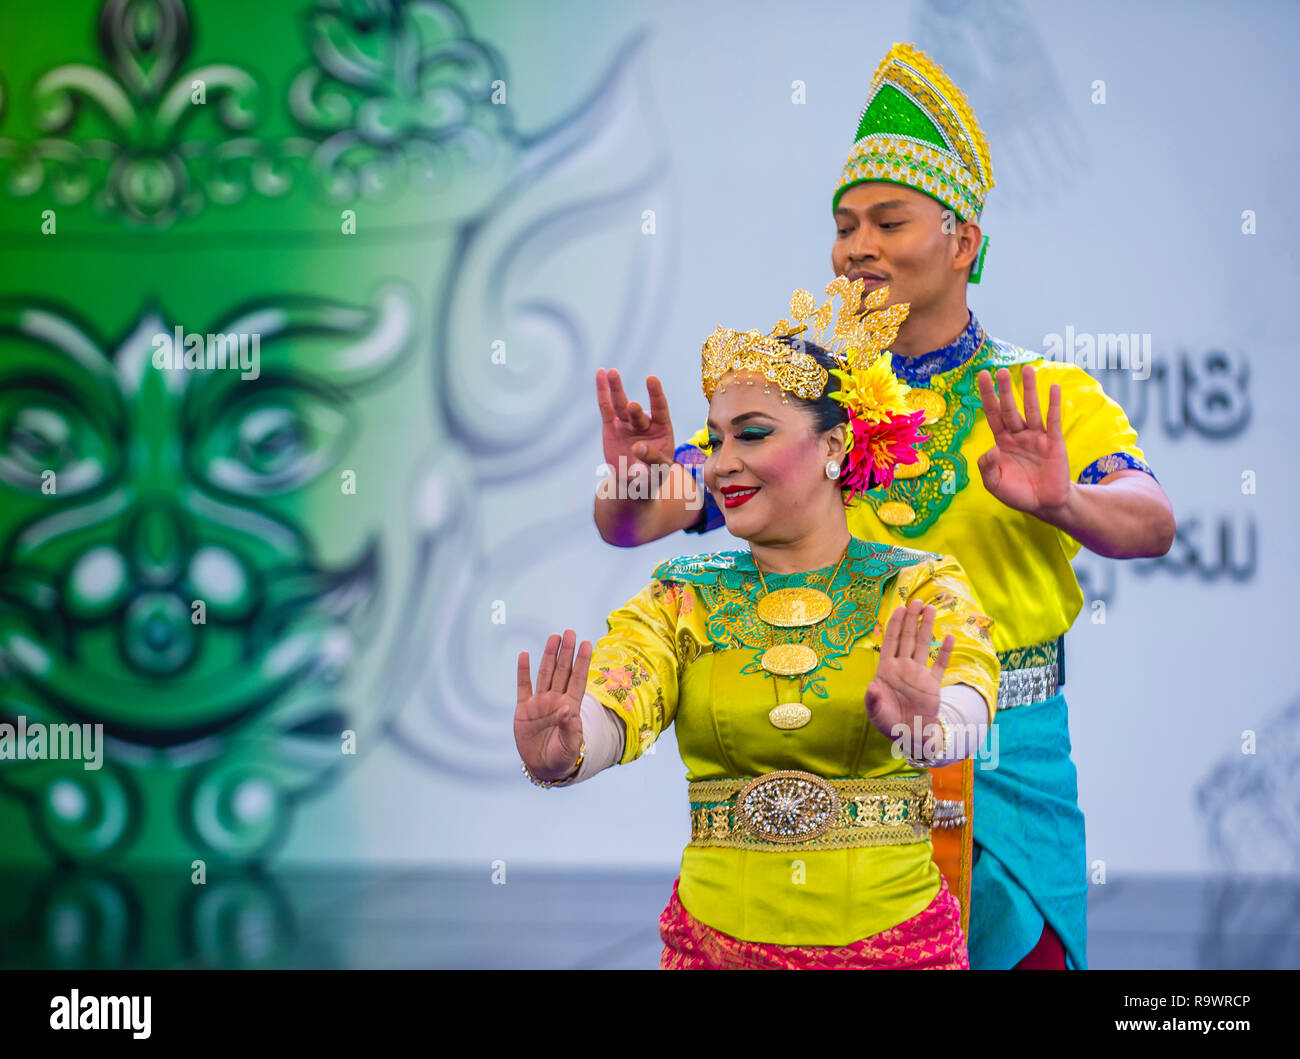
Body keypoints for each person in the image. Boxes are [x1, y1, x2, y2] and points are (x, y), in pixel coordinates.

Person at [590, 43, 1175, 970]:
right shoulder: (805, 400)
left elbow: (1150, 522)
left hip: (1013, 747)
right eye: (844, 224)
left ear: (963, 242)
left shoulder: (1043, 394)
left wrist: (1064, 498)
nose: (856, 245)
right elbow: (647, 515)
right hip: (850, 741)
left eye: (888, 220)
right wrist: (631, 484)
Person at [516, 280, 1001, 969]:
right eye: (715, 440)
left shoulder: (916, 582)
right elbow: (623, 699)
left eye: (753, 434)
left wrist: (926, 722)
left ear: (834, 445)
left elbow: (967, 700)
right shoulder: (685, 595)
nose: (720, 464)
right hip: (716, 947)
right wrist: (569, 749)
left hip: (895, 948)